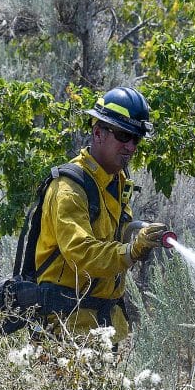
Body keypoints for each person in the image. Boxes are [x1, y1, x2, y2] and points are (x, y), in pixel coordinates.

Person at [28, 86, 167, 343]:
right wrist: (131, 251)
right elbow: (81, 254)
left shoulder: (117, 182)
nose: (130, 146)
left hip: (106, 327)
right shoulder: (70, 188)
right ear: (98, 132)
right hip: (67, 327)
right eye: (124, 135)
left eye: (136, 139)